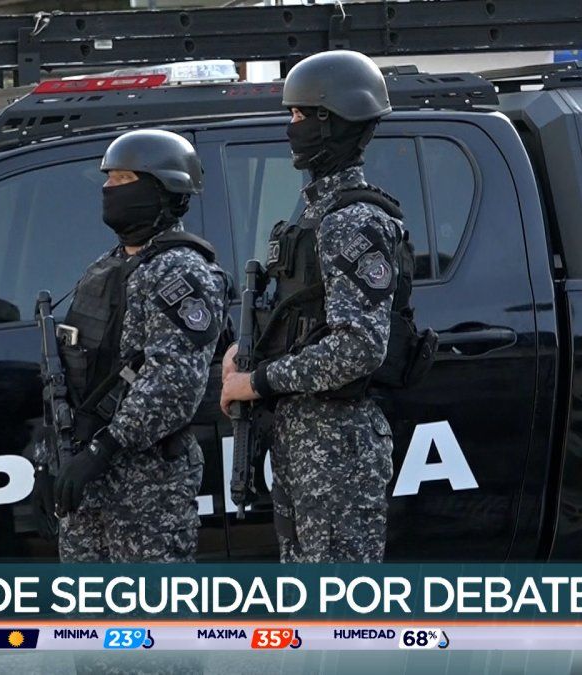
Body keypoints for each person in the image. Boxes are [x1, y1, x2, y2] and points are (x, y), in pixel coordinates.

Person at [219, 50, 405, 563]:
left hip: (338, 445)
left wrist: (257, 382)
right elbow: (303, 315)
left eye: (299, 115)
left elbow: (359, 347)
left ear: (333, 121)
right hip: (306, 440)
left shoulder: (351, 221)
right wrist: (247, 350)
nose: (291, 127)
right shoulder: (315, 213)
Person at [34, 129, 228, 563]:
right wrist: (50, 458)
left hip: (147, 487)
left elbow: (173, 383)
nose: (108, 190)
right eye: (108, 180)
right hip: (89, 485)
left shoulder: (181, 273)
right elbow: (73, 372)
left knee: (151, 621)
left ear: (162, 189)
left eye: (122, 180)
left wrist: (105, 448)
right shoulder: (107, 267)